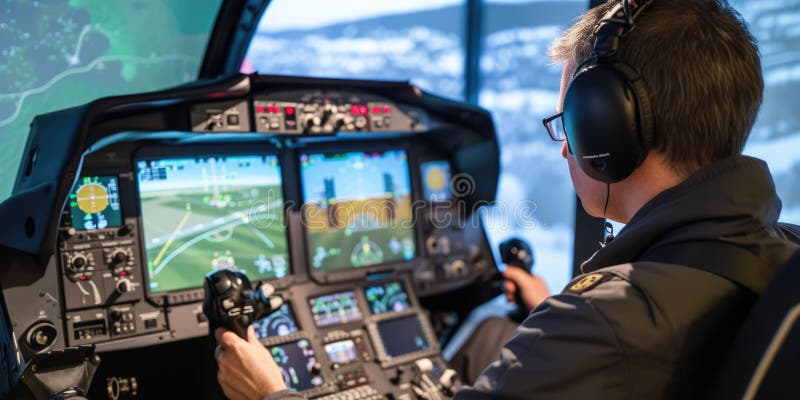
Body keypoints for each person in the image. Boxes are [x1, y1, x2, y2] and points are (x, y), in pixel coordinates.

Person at [213, 0, 800, 399]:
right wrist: (556, 309)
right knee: (493, 335)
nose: (564, 149)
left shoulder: (608, 321)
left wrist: (272, 392)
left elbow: (616, 333)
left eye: (569, 123)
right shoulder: (778, 254)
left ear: (606, 130)